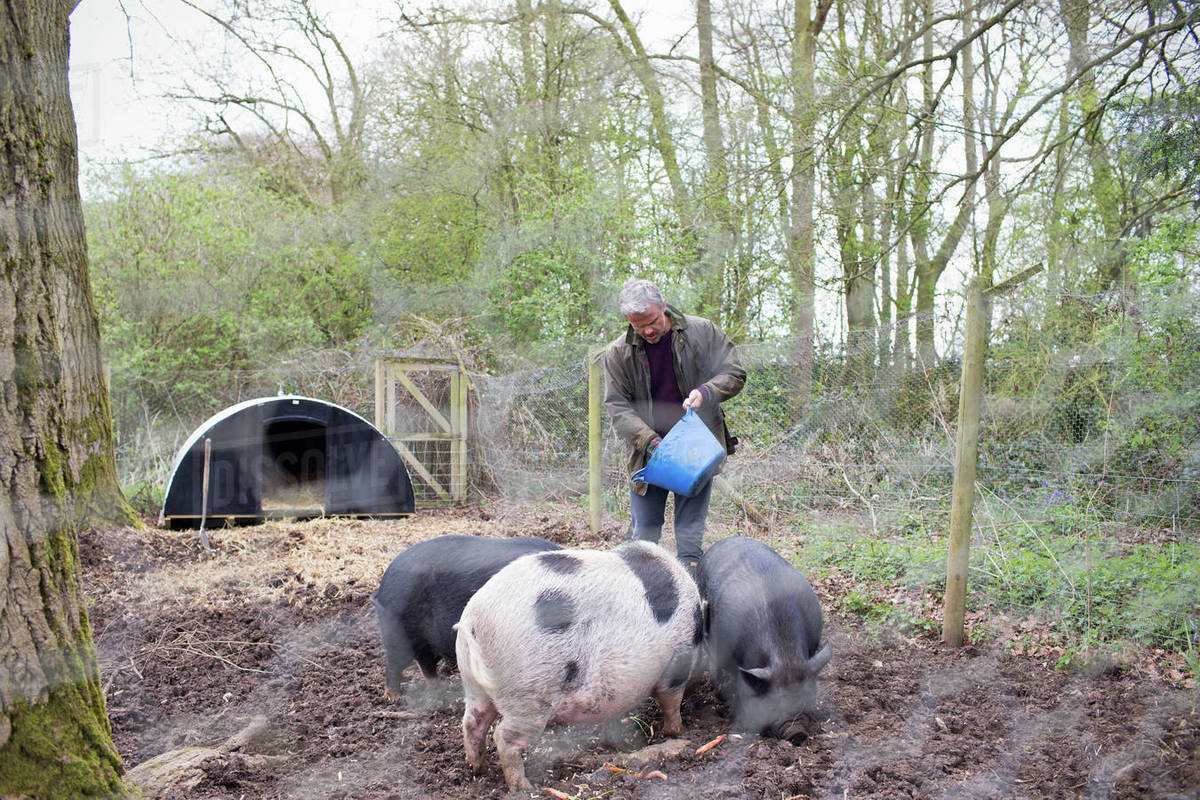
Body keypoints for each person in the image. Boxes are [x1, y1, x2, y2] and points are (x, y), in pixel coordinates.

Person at [603, 278, 746, 573]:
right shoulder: (617, 353)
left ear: (664, 307)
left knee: (689, 540)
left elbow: (734, 372)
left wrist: (706, 392)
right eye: (637, 325)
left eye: (652, 321)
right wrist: (651, 442)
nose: (647, 331)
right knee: (644, 538)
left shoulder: (702, 332)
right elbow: (617, 407)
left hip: (695, 450)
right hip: (649, 453)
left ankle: (692, 597)